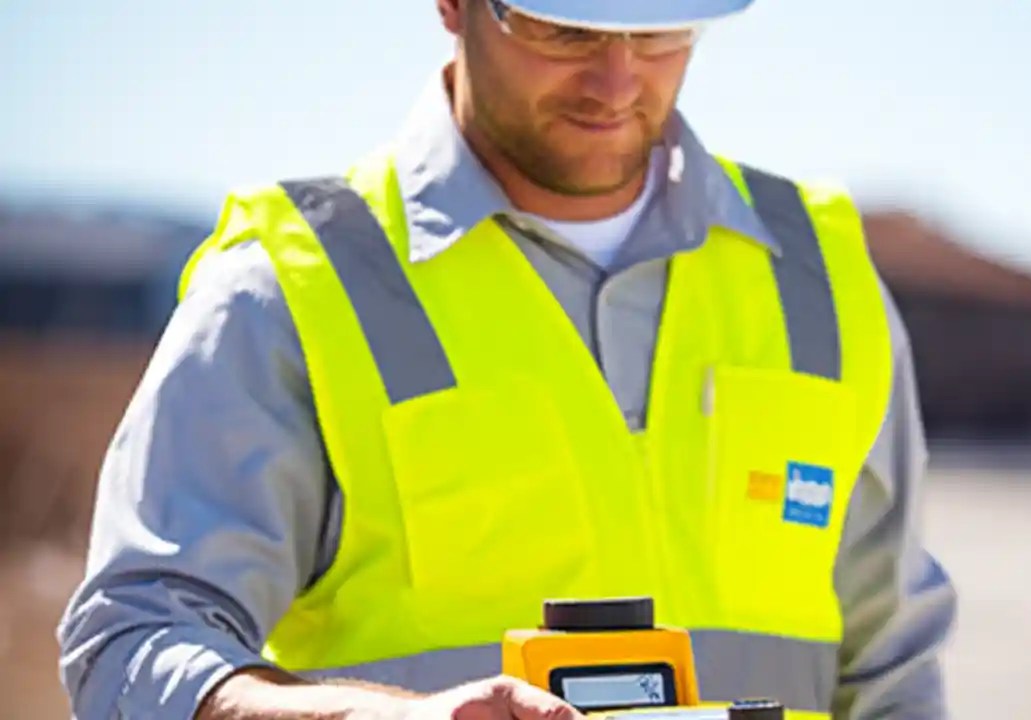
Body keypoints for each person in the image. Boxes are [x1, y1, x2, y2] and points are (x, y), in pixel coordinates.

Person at [58, 1, 957, 718]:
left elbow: (893, 665)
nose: (616, 79)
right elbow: (135, 643)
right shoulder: (291, 288)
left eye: (657, 28)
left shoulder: (818, 275)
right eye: (563, 28)